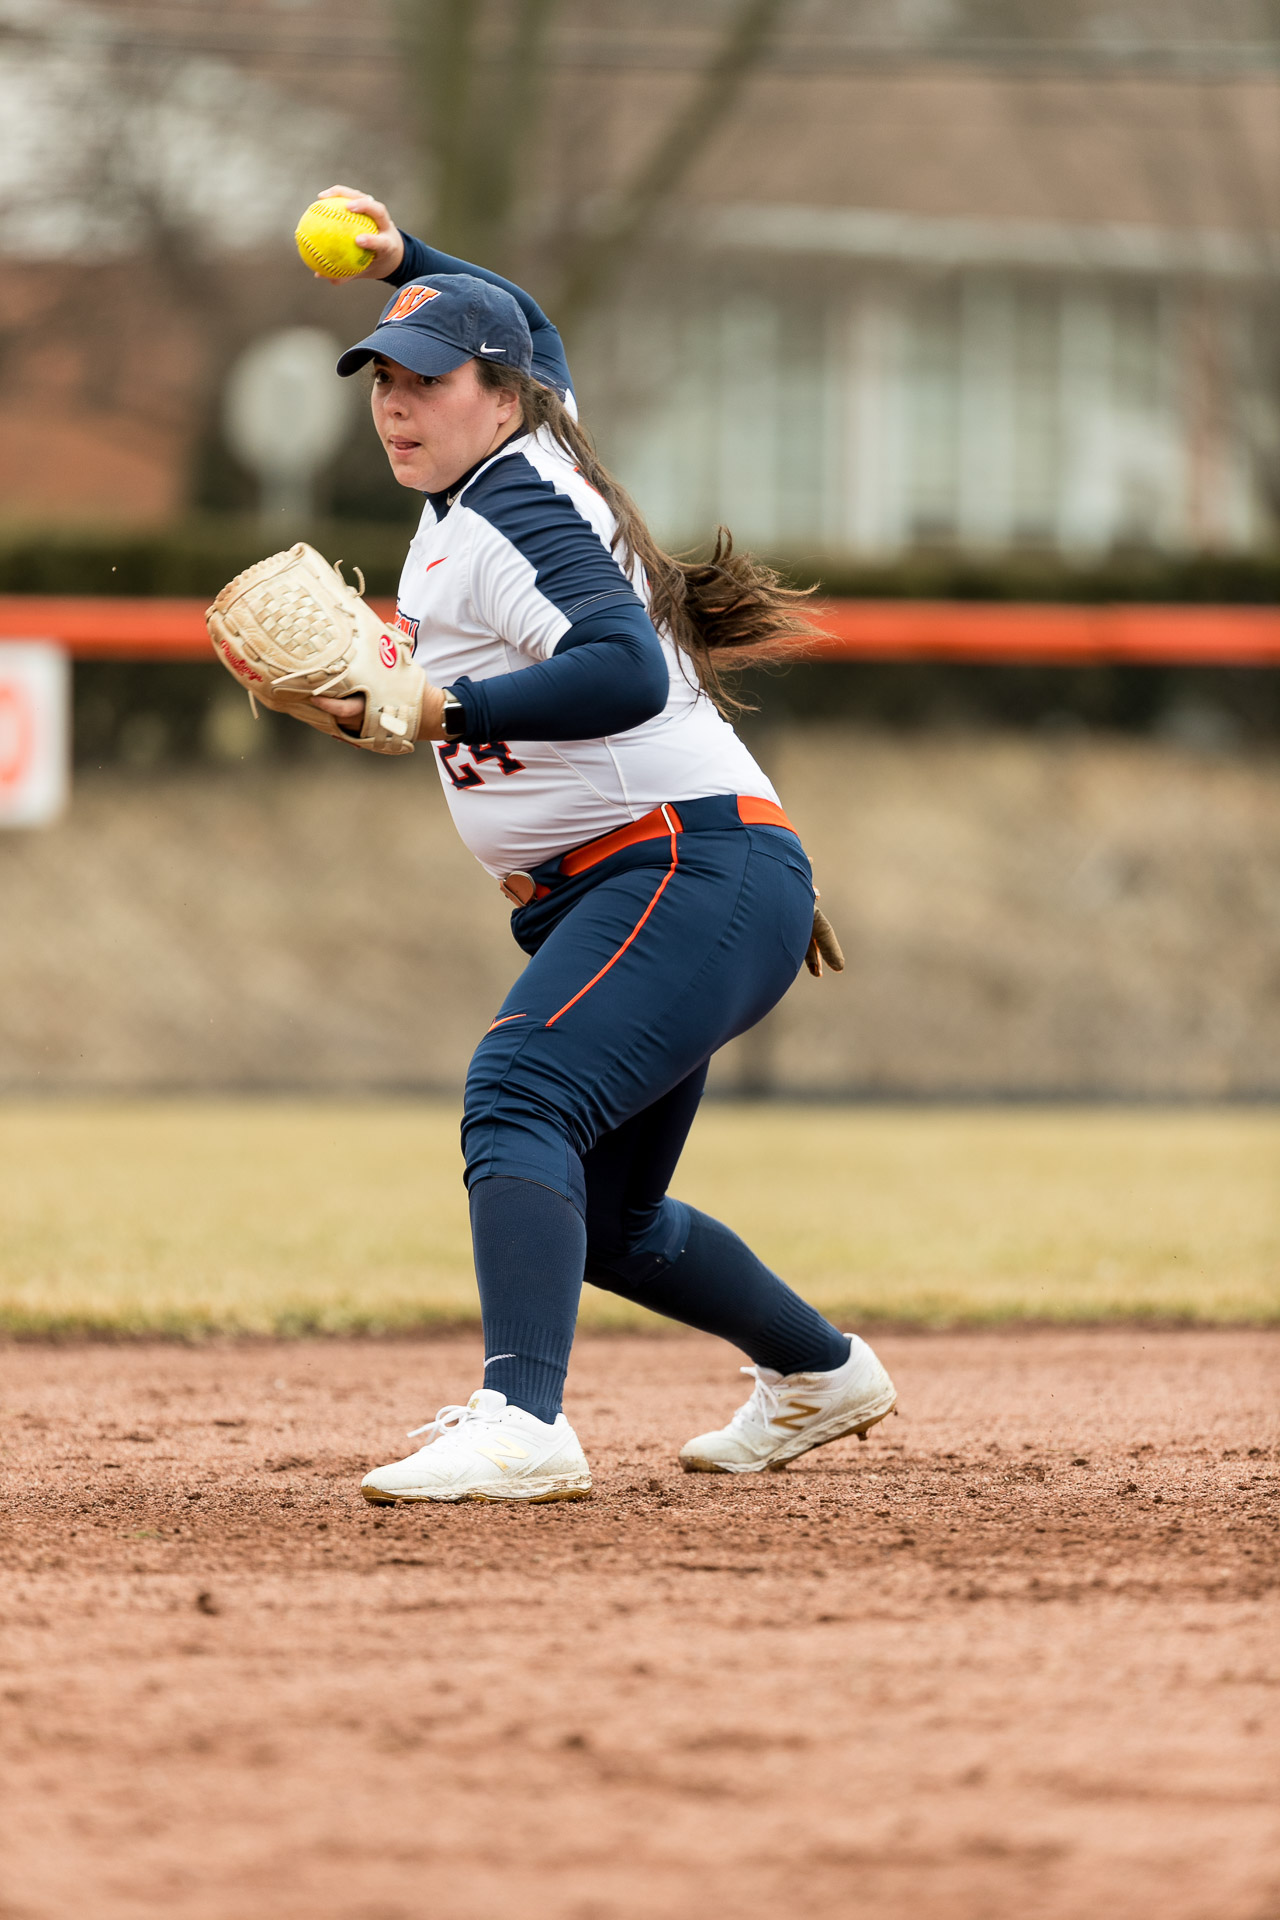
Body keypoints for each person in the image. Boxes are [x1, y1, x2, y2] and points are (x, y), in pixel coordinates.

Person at [302, 186, 897, 1504]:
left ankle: (523, 1421)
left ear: (503, 396)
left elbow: (624, 669)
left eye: (427, 379)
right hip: (661, 877)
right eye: (383, 379)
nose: (396, 404)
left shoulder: (517, 506)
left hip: (681, 867)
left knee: (521, 1096)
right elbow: (530, 322)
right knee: (612, 1221)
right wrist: (406, 262)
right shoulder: (501, 463)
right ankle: (820, 1371)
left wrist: (451, 709)